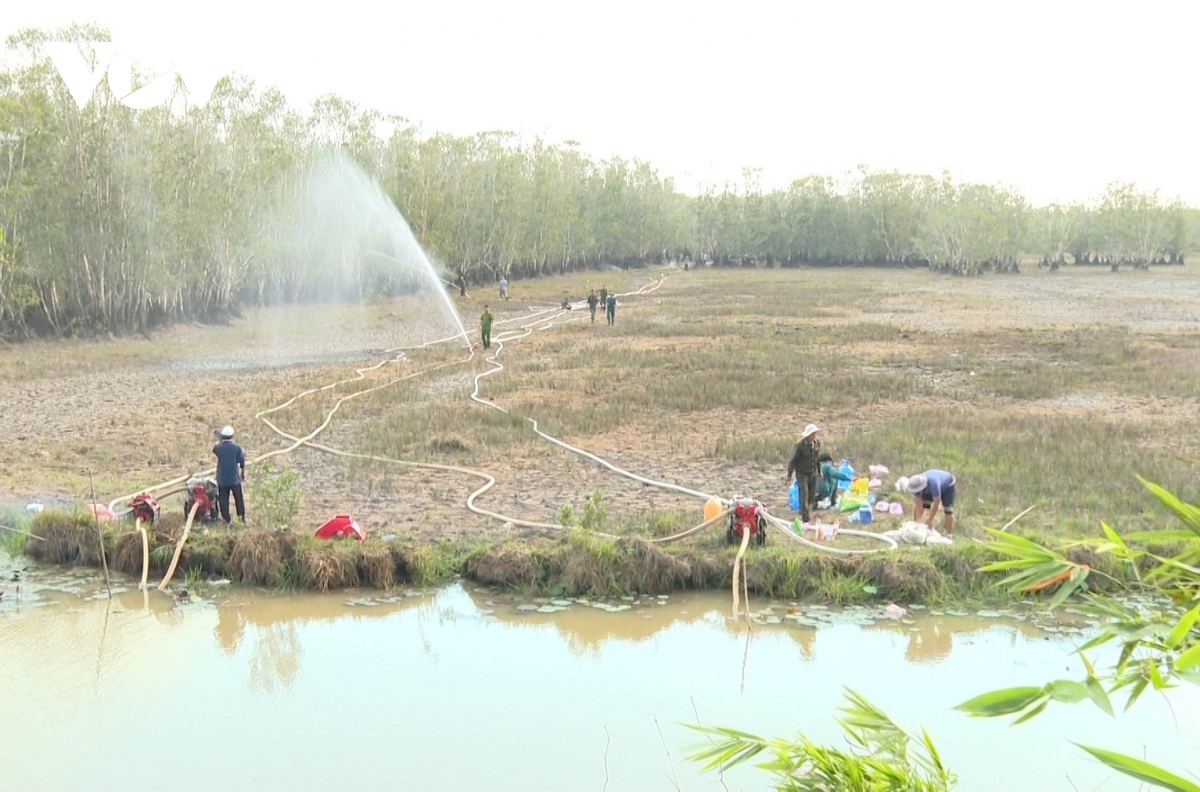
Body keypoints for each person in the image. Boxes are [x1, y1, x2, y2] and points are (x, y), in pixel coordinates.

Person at [784, 424, 821, 522]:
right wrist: (789, 475)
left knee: (812, 494)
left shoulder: (817, 443)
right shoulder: (799, 445)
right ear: (808, 435)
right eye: (813, 434)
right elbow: (793, 460)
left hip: (813, 472)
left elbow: (817, 459)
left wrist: (819, 471)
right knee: (804, 494)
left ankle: (804, 509)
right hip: (802, 473)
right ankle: (805, 518)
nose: (814, 436)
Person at [903, 469, 957, 536]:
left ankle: (949, 534)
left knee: (948, 510)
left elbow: (936, 504)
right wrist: (917, 522)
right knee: (925, 505)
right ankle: (923, 528)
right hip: (929, 486)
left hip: (947, 485)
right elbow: (918, 505)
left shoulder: (934, 484)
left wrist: (930, 519)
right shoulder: (915, 484)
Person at [212, 426, 246, 524]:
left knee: (223, 499)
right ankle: (241, 518)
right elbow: (242, 462)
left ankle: (226, 519)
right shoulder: (237, 448)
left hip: (222, 478)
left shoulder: (218, 448)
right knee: (239, 499)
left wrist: (220, 440)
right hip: (234, 478)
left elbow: (216, 449)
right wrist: (243, 473)